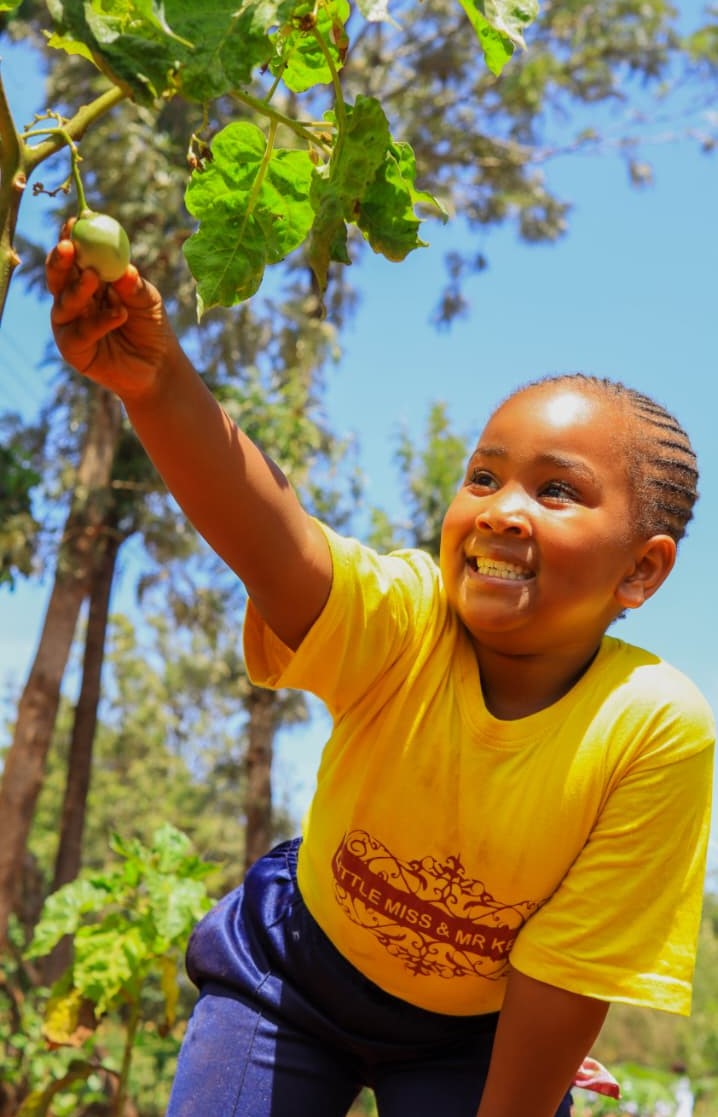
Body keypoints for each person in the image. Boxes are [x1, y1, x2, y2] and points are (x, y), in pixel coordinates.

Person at [45, 237, 715, 1117]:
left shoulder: (654, 727)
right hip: (292, 973)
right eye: (484, 475)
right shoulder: (409, 618)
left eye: (557, 492)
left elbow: (567, 974)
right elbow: (274, 539)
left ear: (641, 571)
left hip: (474, 1032)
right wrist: (157, 380)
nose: (501, 509)